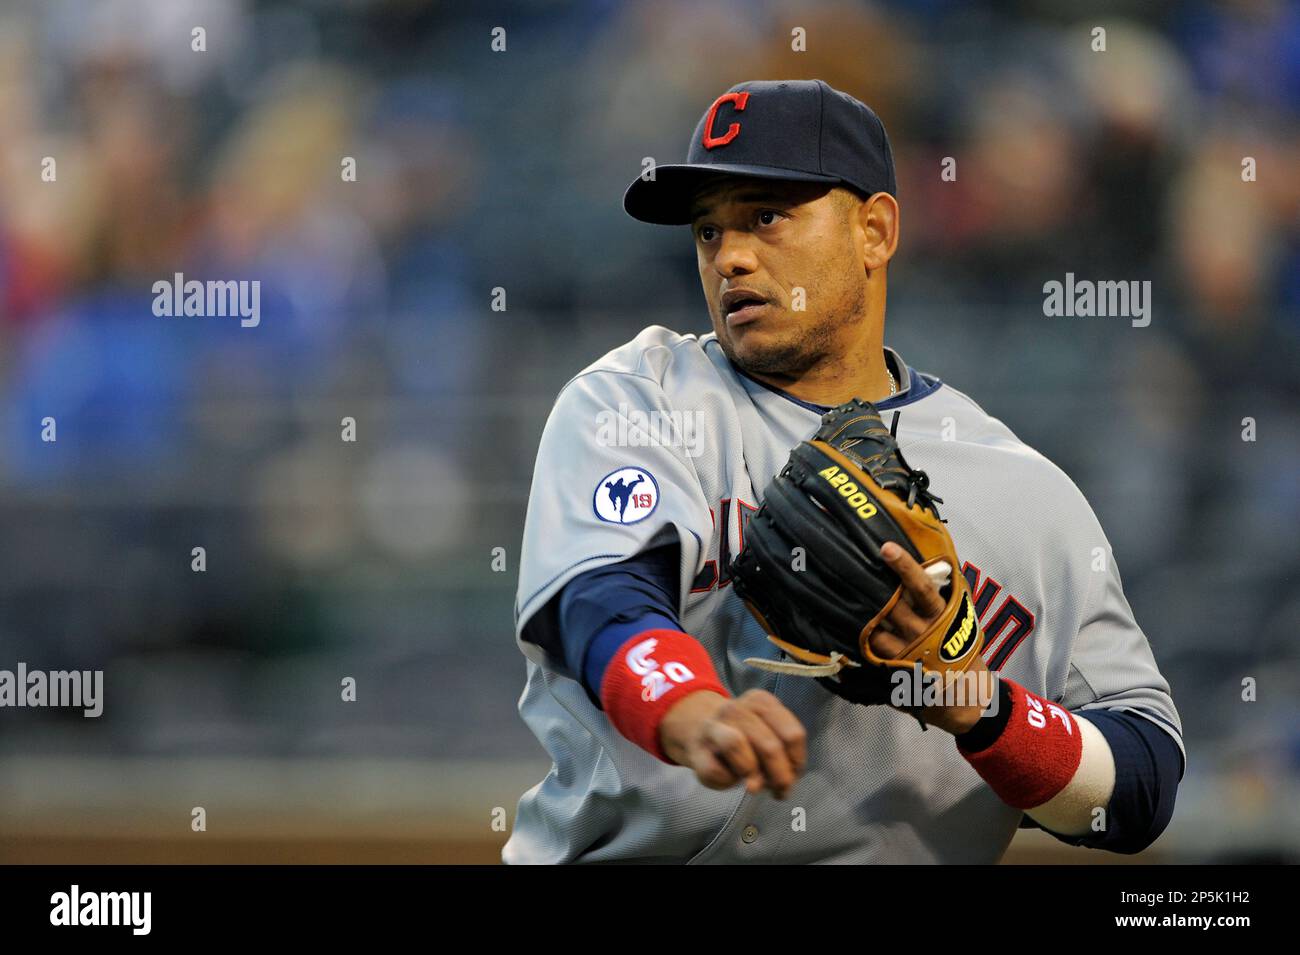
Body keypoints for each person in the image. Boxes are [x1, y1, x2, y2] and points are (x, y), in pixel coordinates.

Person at [504, 79, 1183, 864]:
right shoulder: (640, 397)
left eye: (766, 214)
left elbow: (1140, 784)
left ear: (875, 229)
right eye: (706, 230)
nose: (730, 255)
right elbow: (601, 597)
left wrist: (978, 704)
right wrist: (684, 704)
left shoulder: (1027, 495)